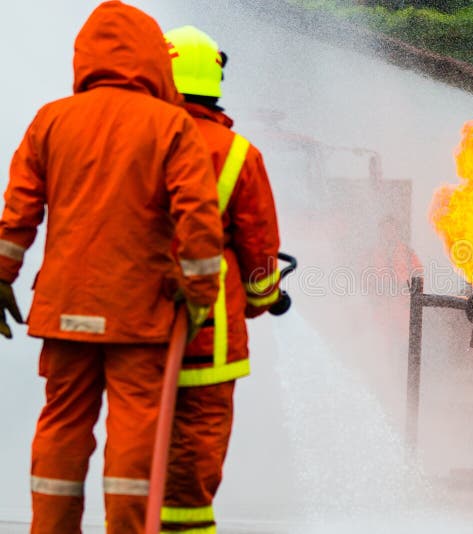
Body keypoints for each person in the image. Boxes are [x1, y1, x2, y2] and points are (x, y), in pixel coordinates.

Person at [0, 2, 223, 532]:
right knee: (134, 434)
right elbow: (198, 220)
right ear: (154, 59)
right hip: (139, 315)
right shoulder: (171, 125)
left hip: (64, 310)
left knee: (61, 424)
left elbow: (18, 212)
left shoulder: (51, 119)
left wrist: (1, 276)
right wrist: (199, 293)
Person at [161, 25, 282, 533]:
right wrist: (263, 299)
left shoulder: (137, 141)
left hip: (136, 330)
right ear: (215, 78)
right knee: (197, 447)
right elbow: (259, 251)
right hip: (210, 337)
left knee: (138, 450)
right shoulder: (237, 154)